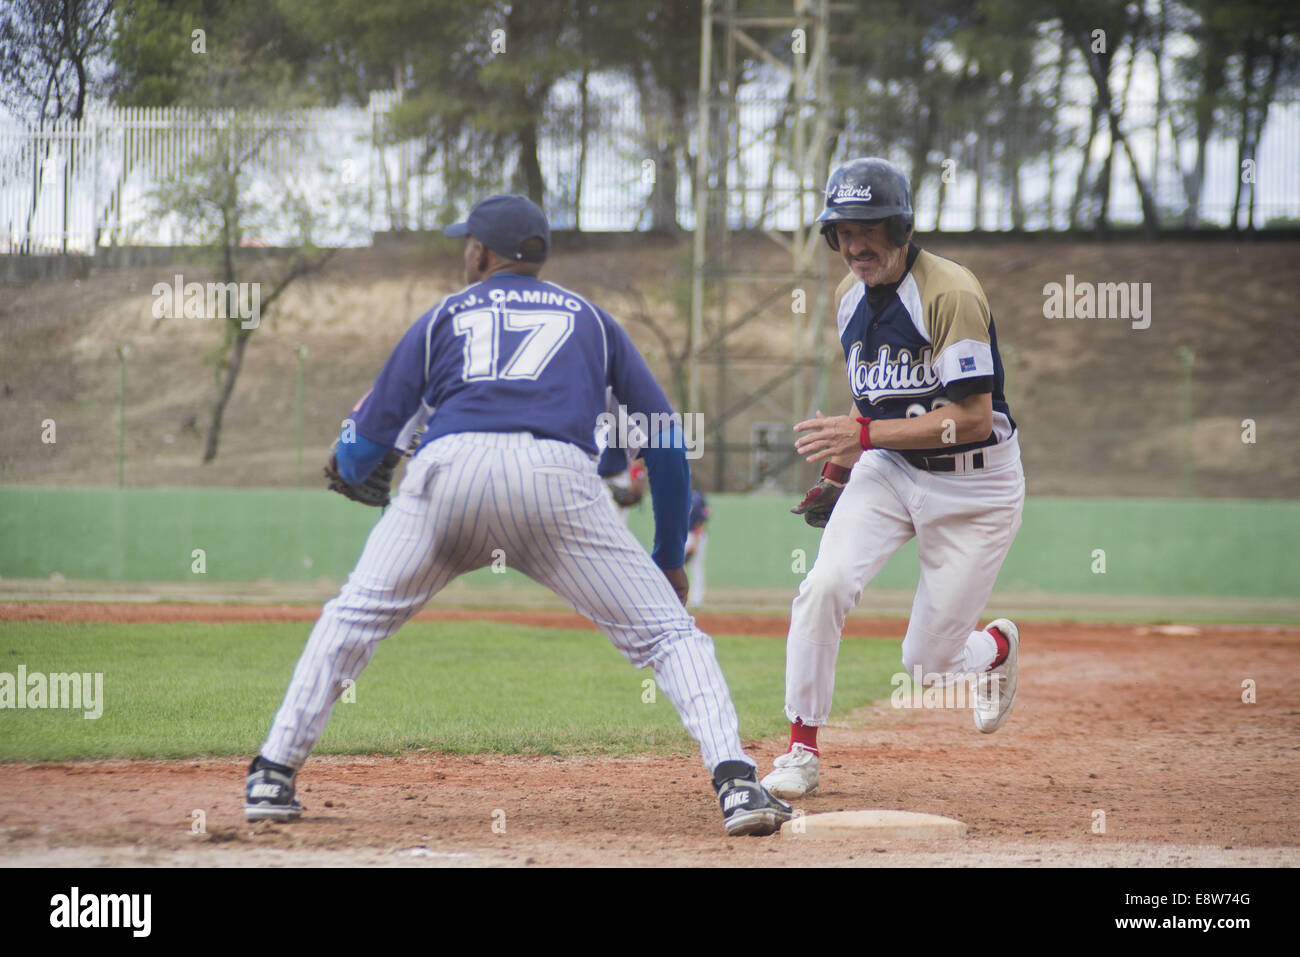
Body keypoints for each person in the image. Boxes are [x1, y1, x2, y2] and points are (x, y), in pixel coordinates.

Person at [244, 194, 791, 837]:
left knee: (352, 618)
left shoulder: (441, 316)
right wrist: (668, 555)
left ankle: (272, 775)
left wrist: (350, 464)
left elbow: (362, 451)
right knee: (672, 638)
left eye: (465, 243)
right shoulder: (594, 320)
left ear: (480, 252)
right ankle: (737, 785)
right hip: (556, 481)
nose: (463, 252)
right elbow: (667, 444)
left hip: (449, 472)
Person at [761, 158, 1025, 799]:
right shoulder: (849, 301)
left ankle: (993, 647)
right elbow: (872, 408)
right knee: (822, 585)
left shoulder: (950, 292)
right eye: (841, 232)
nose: (853, 245)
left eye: (867, 228)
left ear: (901, 227)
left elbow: (971, 418)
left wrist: (864, 439)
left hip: (976, 488)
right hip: (889, 468)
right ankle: (801, 748)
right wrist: (838, 470)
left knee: (926, 667)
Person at [684, 489, 709, 607]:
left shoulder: (697, 497)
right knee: (674, 568)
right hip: (680, 536)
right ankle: (676, 599)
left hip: (694, 535)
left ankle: (696, 600)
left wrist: (696, 541)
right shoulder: (674, 494)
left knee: (696, 569)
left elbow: (702, 519)